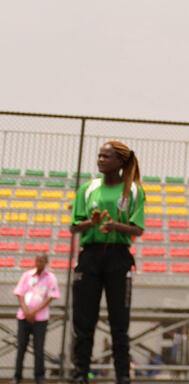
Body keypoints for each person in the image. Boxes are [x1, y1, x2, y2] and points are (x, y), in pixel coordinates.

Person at [70, 140, 145, 384]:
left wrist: (115, 226)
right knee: (83, 321)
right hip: (90, 256)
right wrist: (91, 223)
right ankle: (80, 373)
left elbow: (137, 229)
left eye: (106, 157)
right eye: (99, 156)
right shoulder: (88, 189)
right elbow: (74, 226)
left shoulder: (133, 190)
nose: (100, 160)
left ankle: (123, 375)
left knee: (119, 323)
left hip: (118, 257)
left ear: (120, 161)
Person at [14, 253, 60, 384]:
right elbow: (20, 293)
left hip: (40, 319)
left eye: (42, 261)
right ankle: (17, 376)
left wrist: (34, 311)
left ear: (46, 262)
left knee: (38, 348)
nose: (39, 263)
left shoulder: (50, 277)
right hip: (24, 316)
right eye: (37, 260)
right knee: (21, 347)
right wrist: (26, 311)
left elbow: (50, 296)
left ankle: (39, 376)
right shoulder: (26, 275)